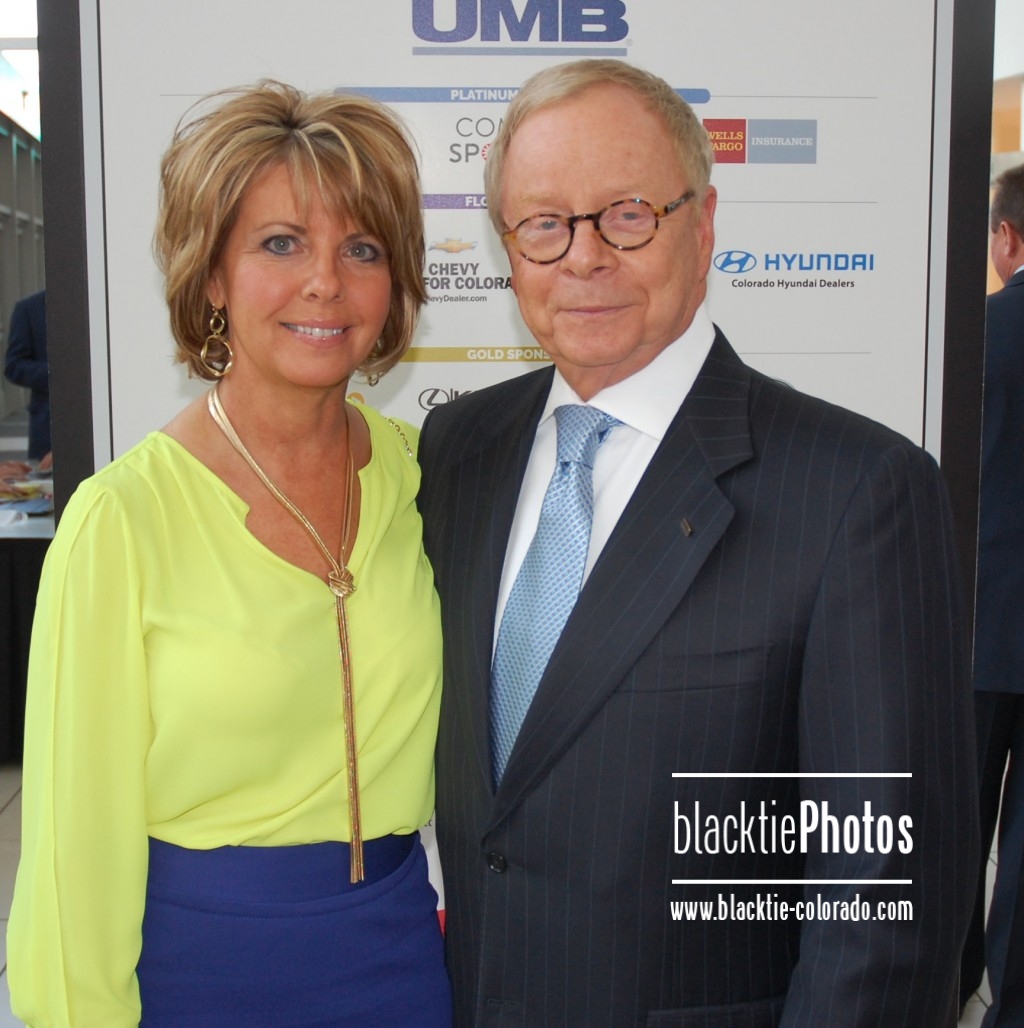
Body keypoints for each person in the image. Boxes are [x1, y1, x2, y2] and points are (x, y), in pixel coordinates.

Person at [417, 59, 978, 1027]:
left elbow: (881, 900)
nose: (584, 257)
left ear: (704, 224)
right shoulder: (457, 451)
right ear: (508, 247)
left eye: (627, 214)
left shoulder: (857, 490)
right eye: (544, 224)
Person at [8, 81, 450, 1025]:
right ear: (212, 275)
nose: (325, 281)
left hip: (401, 958)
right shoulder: (122, 520)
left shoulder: (425, 478)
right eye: (280, 243)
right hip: (195, 974)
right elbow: (71, 850)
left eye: (362, 248)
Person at [960, 161, 1024, 1027]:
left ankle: (942, 984)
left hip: (977, 622)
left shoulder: (975, 334)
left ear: (1006, 237)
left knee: (953, 821)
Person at [4, 288, 50, 461]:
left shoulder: (96, 304)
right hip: (47, 424)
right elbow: (14, 366)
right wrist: (57, 373)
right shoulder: (29, 308)